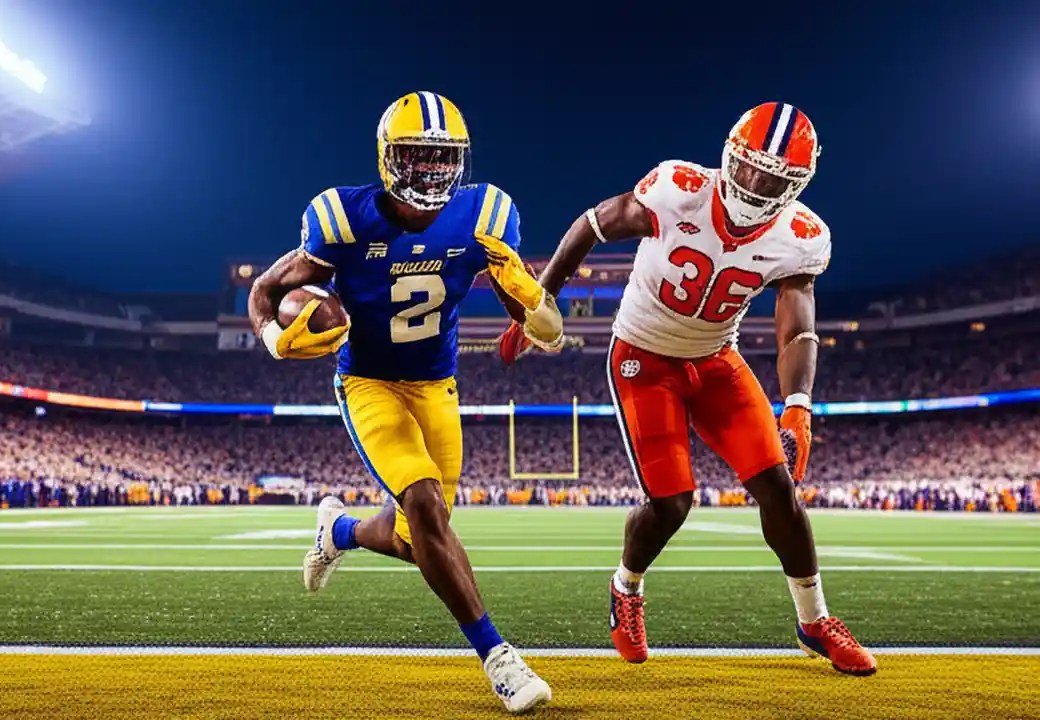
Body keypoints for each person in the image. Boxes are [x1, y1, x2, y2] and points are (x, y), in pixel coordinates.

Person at [500, 102, 876, 676]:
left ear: (796, 184)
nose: (753, 182)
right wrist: (538, 302)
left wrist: (798, 404)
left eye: (772, 177)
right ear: (729, 154)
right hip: (643, 359)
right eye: (747, 167)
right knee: (673, 503)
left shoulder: (801, 236)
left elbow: (798, 327)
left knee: (780, 488)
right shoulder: (679, 188)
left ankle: (813, 619)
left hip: (716, 360)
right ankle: (626, 589)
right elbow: (592, 224)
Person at [248, 91, 562, 713]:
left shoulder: (485, 216)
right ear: (390, 158)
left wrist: (535, 312)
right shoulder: (342, 218)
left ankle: (338, 529)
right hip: (368, 380)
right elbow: (265, 288)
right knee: (422, 504)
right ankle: (498, 657)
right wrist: (272, 338)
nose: (431, 172)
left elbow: (529, 320)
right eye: (417, 157)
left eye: (443, 159)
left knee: (424, 534)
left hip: (437, 385)